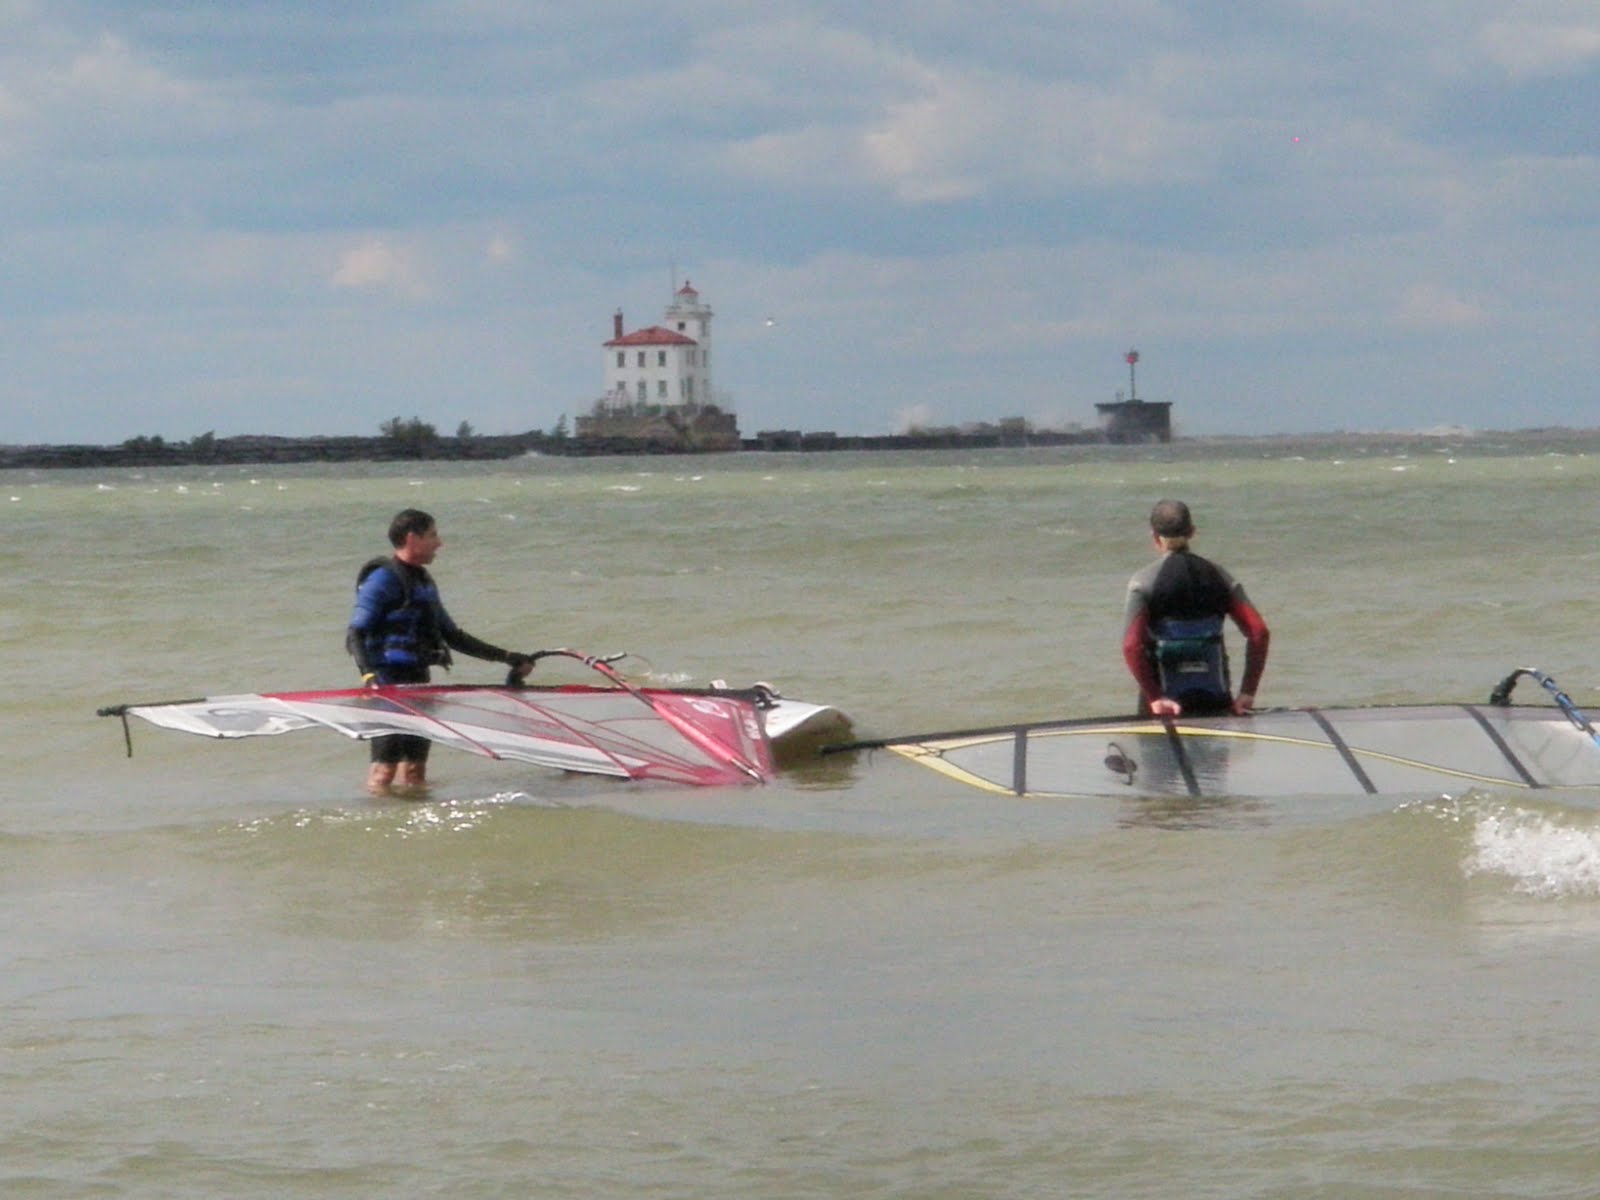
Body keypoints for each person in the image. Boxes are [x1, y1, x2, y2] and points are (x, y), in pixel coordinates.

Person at [347, 508, 537, 795]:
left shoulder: (423, 581)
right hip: (387, 685)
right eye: (433, 535)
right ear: (413, 538)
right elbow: (356, 633)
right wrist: (369, 677)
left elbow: (453, 636)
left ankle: (415, 827)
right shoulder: (383, 579)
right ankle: (379, 824)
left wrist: (508, 657)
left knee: (415, 771)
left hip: (419, 681)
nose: (439, 543)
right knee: (384, 770)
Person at [1122, 498, 1270, 718]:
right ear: (1192, 532)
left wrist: (1155, 697)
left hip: (1164, 708)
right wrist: (1247, 692)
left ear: (1154, 537)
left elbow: (1131, 646)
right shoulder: (1219, 576)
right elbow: (1258, 632)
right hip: (1215, 701)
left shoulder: (1144, 582)